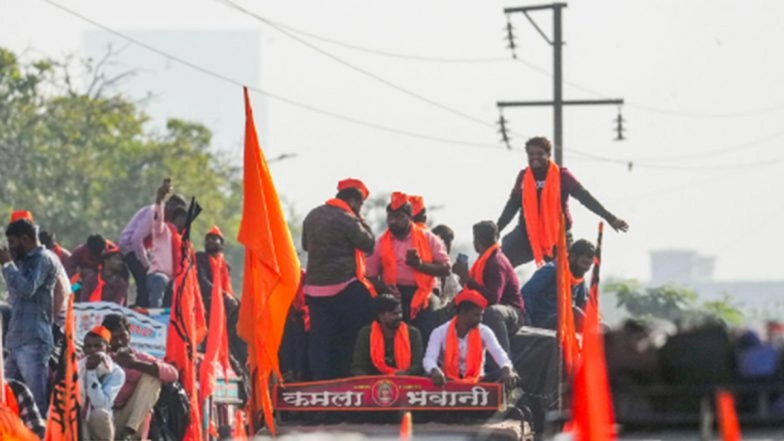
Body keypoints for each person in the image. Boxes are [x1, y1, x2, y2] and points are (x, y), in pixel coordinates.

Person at [496, 136, 628, 267]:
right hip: (527, 235)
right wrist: (497, 229)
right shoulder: (523, 177)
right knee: (498, 263)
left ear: (548, 154)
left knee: (568, 271)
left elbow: (586, 198)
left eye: (540, 154)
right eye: (531, 154)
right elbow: (512, 205)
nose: (535, 157)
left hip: (557, 236)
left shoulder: (562, 175)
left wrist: (610, 218)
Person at [301, 178, 376, 380]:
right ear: (353, 201)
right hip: (343, 287)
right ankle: (351, 376)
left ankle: (319, 382)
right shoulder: (348, 219)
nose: (359, 209)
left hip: (314, 290)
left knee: (320, 339)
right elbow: (369, 243)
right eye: (360, 205)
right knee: (358, 330)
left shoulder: (312, 215)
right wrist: (361, 219)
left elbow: (306, 246)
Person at [366, 192, 450, 339]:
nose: (393, 222)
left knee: (427, 321)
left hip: (423, 293)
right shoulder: (380, 243)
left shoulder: (428, 238)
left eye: (399, 217)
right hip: (393, 292)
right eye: (390, 217)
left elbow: (446, 269)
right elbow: (369, 277)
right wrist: (386, 288)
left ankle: (425, 359)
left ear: (410, 217)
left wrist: (420, 265)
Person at [0, 219, 59, 416]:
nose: (10, 248)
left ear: (25, 239)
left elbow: (26, 289)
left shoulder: (43, 259)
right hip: (16, 340)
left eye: (13, 242)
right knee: (4, 393)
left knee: (36, 399)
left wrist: (8, 263)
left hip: (34, 341)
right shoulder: (22, 261)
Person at [102, 314, 179, 440]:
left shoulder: (138, 357)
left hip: (130, 420)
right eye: (114, 338)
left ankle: (129, 432)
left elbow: (173, 374)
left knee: (153, 377)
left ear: (129, 335)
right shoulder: (99, 357)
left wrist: (135, 364)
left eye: (122, 336)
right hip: (104, 417)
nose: (120, 342)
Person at [452, 221, 524, 353]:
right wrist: (465, 279)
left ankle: (501, 366)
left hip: (513, 313)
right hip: (490, 307)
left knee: (493, 312)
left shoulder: (496, 262)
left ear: (477, 241)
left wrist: (467, 278)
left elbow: (493, 299)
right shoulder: (484, 259)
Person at [423, 289, 519, 387]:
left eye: (481, 315)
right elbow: (429, 359)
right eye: (476, 315)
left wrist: (506, 368)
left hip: (477, 381)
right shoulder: (439, 332)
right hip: (446, 380)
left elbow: (499, 353)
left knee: (502, 376)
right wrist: (434, 370)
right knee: (428, 375)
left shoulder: (484, 331)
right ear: (463, 313)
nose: (480, 319)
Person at [118, 179, 187, 307]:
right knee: (145, 280)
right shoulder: (153, 212)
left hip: (142, 249)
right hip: (129, 247)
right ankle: (141, 314)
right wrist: (147, 265)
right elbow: (136, 239)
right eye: (174, 209)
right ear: (169, 204)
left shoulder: (167, 223)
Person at [521, 239, 595, 330]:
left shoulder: (579, 279)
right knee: (573, 313)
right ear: (572, 257)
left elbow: (583, 305)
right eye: (584, 263)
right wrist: (528, 325)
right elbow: (526, 294)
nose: (586, 268)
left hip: (566, 326)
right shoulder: (551, 270)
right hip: (543, 322)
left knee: (602, 327)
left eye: (589, 265)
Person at [351, 294, 424, 376]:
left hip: (404, 382)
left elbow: (418, 365)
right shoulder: (366, 333)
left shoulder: (413, 333)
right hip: (374, 384)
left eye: (400, 313)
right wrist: (370, 382)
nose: (399, 317)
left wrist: (405, 374)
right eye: (394, 314)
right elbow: (358, 367)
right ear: (381, 316)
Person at [80, 326, 126, 441]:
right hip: (80, 420)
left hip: (101, 424)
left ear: (108, 349)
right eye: (89, 346)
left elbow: (101, 404)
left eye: (98, 346)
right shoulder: (77, 368)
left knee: (99, 414)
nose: (93, 350)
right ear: (84, 349)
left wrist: (91, 373)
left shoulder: (116, 373)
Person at [147, 183, 189, 308]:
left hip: (173, 281)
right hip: (158, 277)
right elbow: (158, 217)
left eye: (185, 219)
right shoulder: (163, 230)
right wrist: (160, 198)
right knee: (160, 283)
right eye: (180, 217)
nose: (182, 221)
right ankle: (153, 321)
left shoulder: (183, 242)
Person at [195, 226, 238, 323]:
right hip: (204, 299)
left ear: (221, 244)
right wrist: (224, 295)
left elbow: (228, 287)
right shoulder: (200, 258)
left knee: (239, 306)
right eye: (208, 239)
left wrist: (230, 298)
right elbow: (202, 281)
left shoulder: (225, 266)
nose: (210, 241)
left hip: (221, 299)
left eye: (214, 238)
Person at [431, 224, 461, 303]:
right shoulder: (426, 265)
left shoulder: (449, 271)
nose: (444, 247)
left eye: (447, 243)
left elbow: (457, 294)